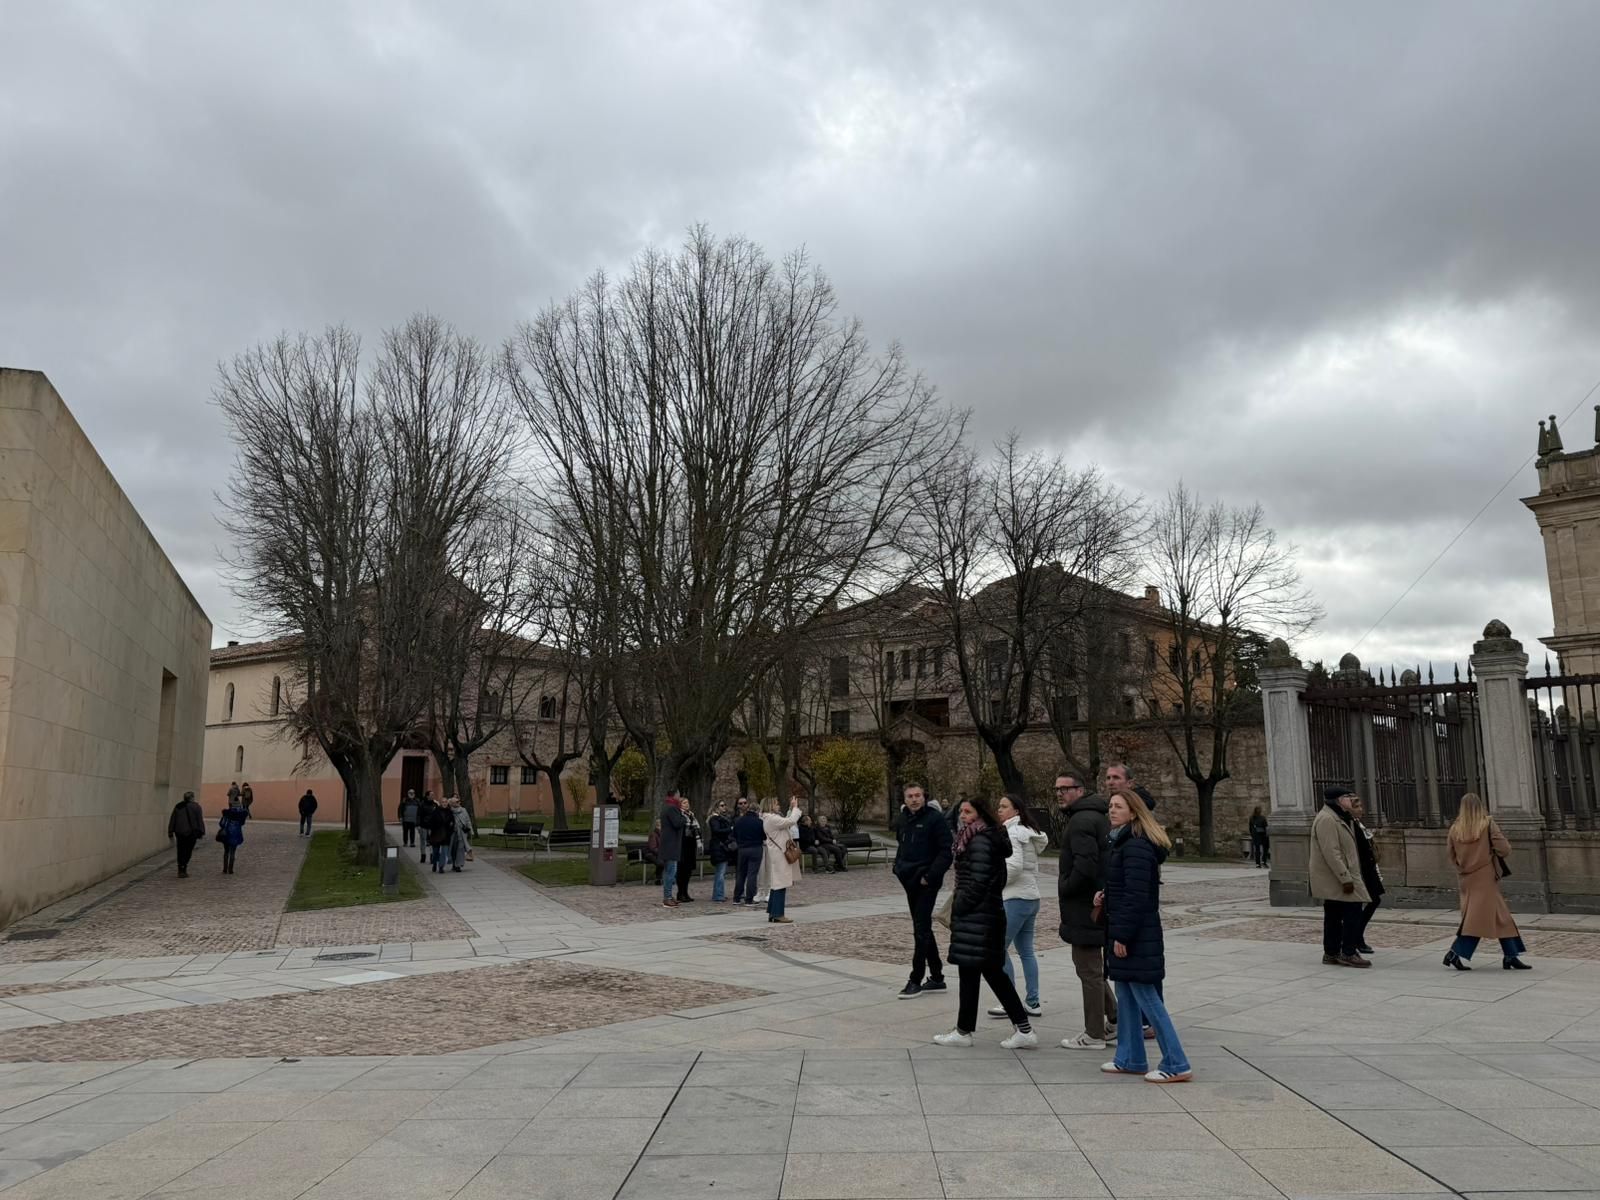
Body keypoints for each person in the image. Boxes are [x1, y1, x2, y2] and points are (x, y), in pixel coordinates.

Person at [1099, 787, 1191, 1082]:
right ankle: (1130, 1057)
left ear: (1134, 812)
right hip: (1128, 928)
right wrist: (1106, 896)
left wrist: (1123, 935)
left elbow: (1137, 896)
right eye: (1111, 806)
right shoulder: (1123, 842)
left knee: (1146, 997)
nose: (1112, 810)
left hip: (1137, 934)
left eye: (1118, 806)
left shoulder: (1136, 845)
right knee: (1126, 994)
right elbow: (1126, 887)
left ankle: (1176, 1062)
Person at [933, 796, 1037, 1049]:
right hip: (981, 918)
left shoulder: (979, 839)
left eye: (968, 812)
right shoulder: (980, 836)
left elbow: (978, 881)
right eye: (961, 811)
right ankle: (964, 1030)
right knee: (972, 973)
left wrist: (959, 906)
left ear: (980, 814)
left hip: (979, 918)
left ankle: (1023, 1029)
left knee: (992, 973)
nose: (963, 816)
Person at [1055, 772, 1119, 1049]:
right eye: (1057, 789)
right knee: (1090, 967)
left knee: (1088, 969)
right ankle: (1116, 1019)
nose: (1060, 793)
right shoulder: (1094, 816)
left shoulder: (1081, 820)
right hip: (1090, 902)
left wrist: (1066, 886)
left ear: (1080, 790)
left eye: (1065, 789)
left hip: (1084, 905)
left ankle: (1094, 1034)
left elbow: (1086, 863)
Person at [1444, 792, 1530, 971]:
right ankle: (1455, 952)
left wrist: (1462, 868)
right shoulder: (1487, 824)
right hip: (1485, 877)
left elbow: (1451, 855)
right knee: (1477, 920)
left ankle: (1511, 955)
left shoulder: (1455, 829)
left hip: (1467, 879)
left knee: (1501, 917)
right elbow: (1504, 849)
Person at [893, 784, 953, 999]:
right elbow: (901, 845)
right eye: (910, 796)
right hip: (909, 879)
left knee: (920, 928)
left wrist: (930, 876)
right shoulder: (903, 819)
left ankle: (915, 979)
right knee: (923, 927)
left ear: (924, 797)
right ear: (905, 799)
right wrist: (898, 868)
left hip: (927, 881)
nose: (914, 799)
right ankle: (937, 976)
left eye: (918, 795)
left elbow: (946, 851)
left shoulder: (935, 819)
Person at [991, 793, 1047, 1019]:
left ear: (1016, 810)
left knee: (998, 948)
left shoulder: (1013, 832)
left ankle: (1009, 1001)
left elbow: (1013, 867)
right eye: (999, 806)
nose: (999, 810)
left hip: (1016, 898)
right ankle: (1032, 1001)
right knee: (1026, 952)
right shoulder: (1026, 831)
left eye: (1004, 806)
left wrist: (994, 884)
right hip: (1030, 897)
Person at [1310, 786, 1372, 968]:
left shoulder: (1339, 816)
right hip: (1337, 878)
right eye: (1347, 796)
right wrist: (1345, 878)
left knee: (1334, 914)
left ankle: (1332, 952)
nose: (1350, 799)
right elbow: (1331, 852)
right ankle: (1348, 952)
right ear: (1338, 800)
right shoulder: (1327, 819)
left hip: (1338, 877)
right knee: (1352, 911)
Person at [1349, 796, 1384, 955]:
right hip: (1362, 870)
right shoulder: (1351, 825)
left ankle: (1357, 935)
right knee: (1369, 901)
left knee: (1374, 900)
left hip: (1369, 868)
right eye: (1357, 807)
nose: (1361, 809)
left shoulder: (1358, 824)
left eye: (1361, 806)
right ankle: (1356, 937)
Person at [761, 797, 803, 923]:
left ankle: (773, 912)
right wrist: (795, 808)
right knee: (780, 883)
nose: (778, 805)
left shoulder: (770, 818)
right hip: (780, 854)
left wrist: (791, 808)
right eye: (776, 804)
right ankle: (778, 914)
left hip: (778, 853)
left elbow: (785, 821)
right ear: (770, 805)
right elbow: (790, 821)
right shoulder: (771, 818)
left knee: (777, 883)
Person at [732, 801, 765, 905]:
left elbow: (734, 835)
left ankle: (737, 898)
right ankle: (749, 898)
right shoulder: (759, 822)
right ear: (757, 810)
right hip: (755, 848)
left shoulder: (739, 821)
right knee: (752, 874)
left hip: (742, 849)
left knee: (741, 874)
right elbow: (764, 836)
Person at [167, 790, 205, 878]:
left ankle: (181, 868)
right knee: (188, 850)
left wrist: (170, 830)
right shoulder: (196, 807)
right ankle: (184, 866)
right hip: (191, 832)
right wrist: (201, 831)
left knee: (180, 850)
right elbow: (199, 819)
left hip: (179, 832)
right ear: (192, 798)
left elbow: (173, 818)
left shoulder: (178, 806)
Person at [659, 792, 687, 908]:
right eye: (678, 795)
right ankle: (668, 897)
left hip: (668, 845)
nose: (679, 797)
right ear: (675, 795)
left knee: (669, 872)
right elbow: (677, 823)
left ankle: (669, 896)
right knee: (670, 872)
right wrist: (684, 816)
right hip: (671, 845)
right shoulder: (672, 808)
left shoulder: (667, 807)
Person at [707, 800, 735, 902]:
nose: (724, 807)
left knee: (721, 872)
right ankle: (718, 895)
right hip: (718, 847)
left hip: (722, 847)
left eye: (724, 805)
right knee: (720, 872)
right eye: (722, 805)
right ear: (716, 807)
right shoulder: (714, 819)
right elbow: (716, 831)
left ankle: (719, 893)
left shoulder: (722, 818)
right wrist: (730, 829)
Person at [218, 795, 248, 874]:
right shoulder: (241, 814)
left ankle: (225, 869)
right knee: (233, 852)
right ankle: (230, 869)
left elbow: (221, 823)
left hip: (226, 834)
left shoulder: (226, 813)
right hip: (236, 834)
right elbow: (242, 823)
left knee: (226, 851)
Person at [677, 803, 700, 903]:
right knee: (681, 870)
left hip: (691, 845)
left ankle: (685, 892)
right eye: (684, 803)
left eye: (687, 803)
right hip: (683, 846)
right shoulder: (680, 816)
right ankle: (680, 892)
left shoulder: (692, 816)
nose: (686, 805)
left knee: (688, 871)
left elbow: (696, 829)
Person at [426, 797, 455, 873]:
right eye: (443, 802)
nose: (444, 803)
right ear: (440, 803)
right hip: (436, 834)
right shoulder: (436, 811)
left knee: (444, 851)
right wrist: (431, 830)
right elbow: (430, 822)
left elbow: (452, 822)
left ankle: (441, 867)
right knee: (435, 851)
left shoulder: (450, 812)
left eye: (445, 802)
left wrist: (451, 828)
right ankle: (435, 863)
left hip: (446, 834)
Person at [449, 798, 473, 871]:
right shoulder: (449, 811)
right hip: (453, 833)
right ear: (452, 803)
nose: (458, 802)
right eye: (456, 802)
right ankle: (454, 863)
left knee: (460, 849)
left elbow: (467, 820)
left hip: (462, 833)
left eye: (458, 801)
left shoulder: (463, 810)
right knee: (453, 849)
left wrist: (470, 830)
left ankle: (458, 865)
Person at [418, 792, 439, 863]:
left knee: (431, 841)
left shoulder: (435, 805)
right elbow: (419, 815)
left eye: (433, 795)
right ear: (427, 796)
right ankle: (423, 855)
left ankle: (431, 856)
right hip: (423, 825)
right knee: (423, 841)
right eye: (431, 795)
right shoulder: (422, 804)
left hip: (432, 826)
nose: (433, 796)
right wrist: (418, 825)